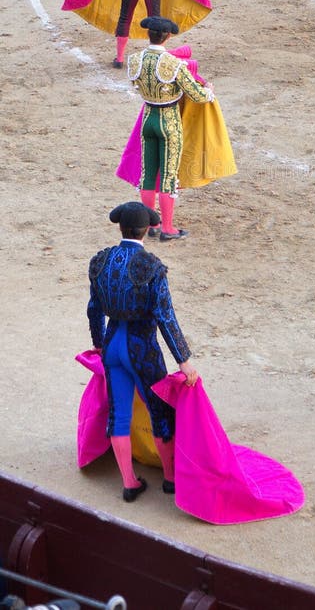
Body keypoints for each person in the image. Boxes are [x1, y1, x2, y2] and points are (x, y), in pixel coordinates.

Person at [86, 201, 199, 502]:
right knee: (159, 413)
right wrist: (183, 360)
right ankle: (171, 478)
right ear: (148, 229)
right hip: (142, 349)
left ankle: (129, 483)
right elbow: (165, 317)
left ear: (121, 228)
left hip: (112, 346)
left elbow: (94, 308)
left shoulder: (101, 262)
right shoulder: (151, 267)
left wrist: (99, 344)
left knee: (118, 414)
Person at [129, 16, 215, 241]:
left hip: (148, 118)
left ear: (149, 34)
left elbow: (135, 84)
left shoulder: (135, 59)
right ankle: (167, 228)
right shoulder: (173, 64)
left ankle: (151, 224)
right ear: (168, 36)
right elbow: (197, 95)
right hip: (169, 121)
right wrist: (209, 90)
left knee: (148, 174)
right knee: (167, 176)